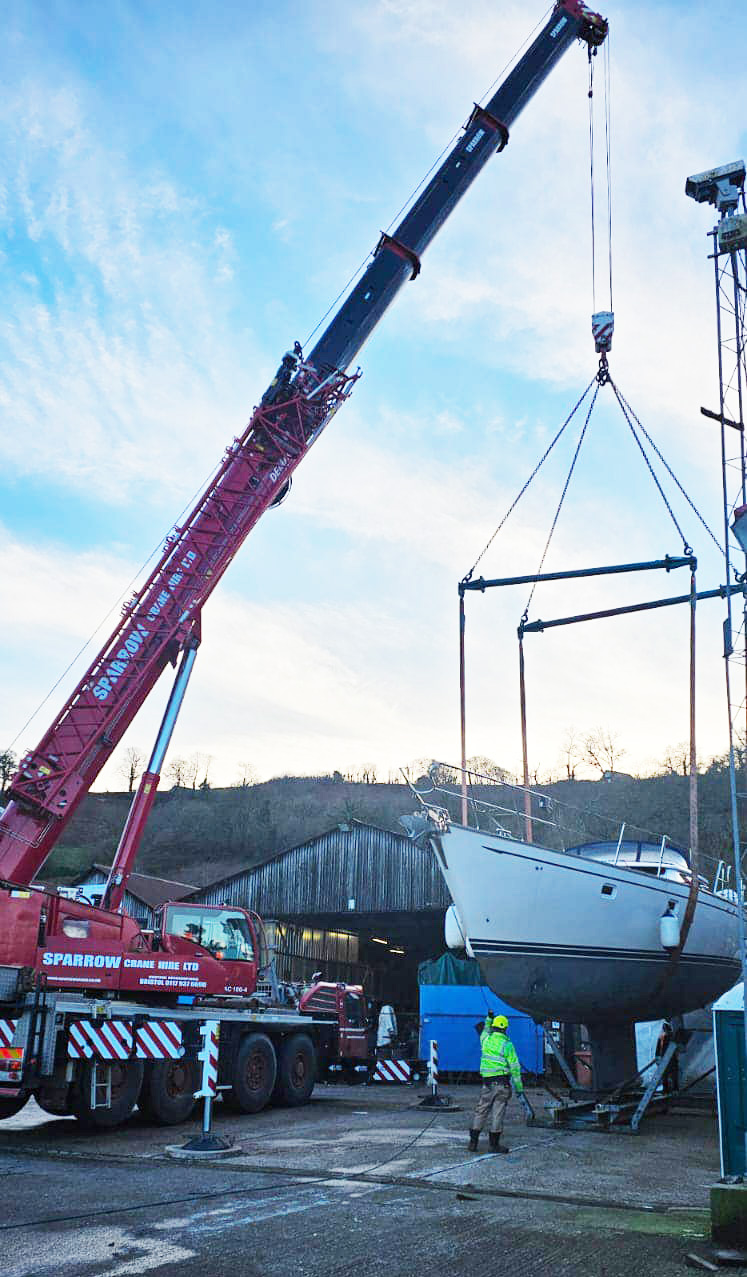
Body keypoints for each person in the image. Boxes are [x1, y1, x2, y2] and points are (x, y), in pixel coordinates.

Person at [468, 1013, 525, 1154]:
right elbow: (515, 1067)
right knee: (497, 1112)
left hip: (486, 1083)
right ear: (505, 1029)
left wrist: (489, 1018)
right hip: (502, 1084)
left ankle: (473, 1143)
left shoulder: (485, 1040)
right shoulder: (507, 1045)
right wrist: (519, 1088)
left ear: (493, 1027)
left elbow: (485, 1029)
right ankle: (494, 1145)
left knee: (481, 1110)